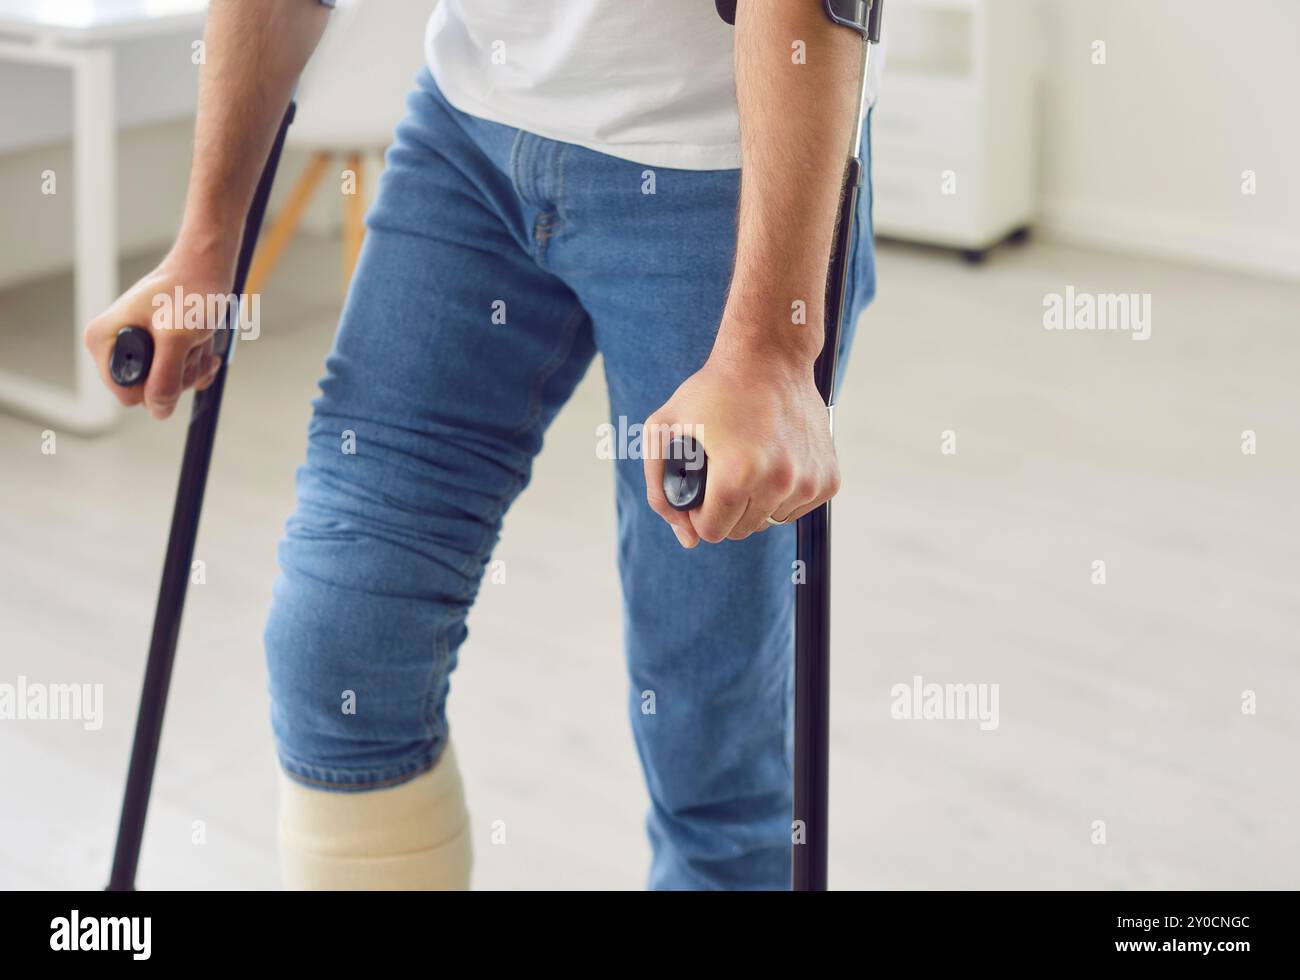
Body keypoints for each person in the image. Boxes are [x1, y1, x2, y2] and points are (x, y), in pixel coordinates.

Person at [84, 0, 881, 890]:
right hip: (470, 136)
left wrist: (772, 346)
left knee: (710, 746)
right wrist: (204, 244)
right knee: (339, 648)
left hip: (724, 164)